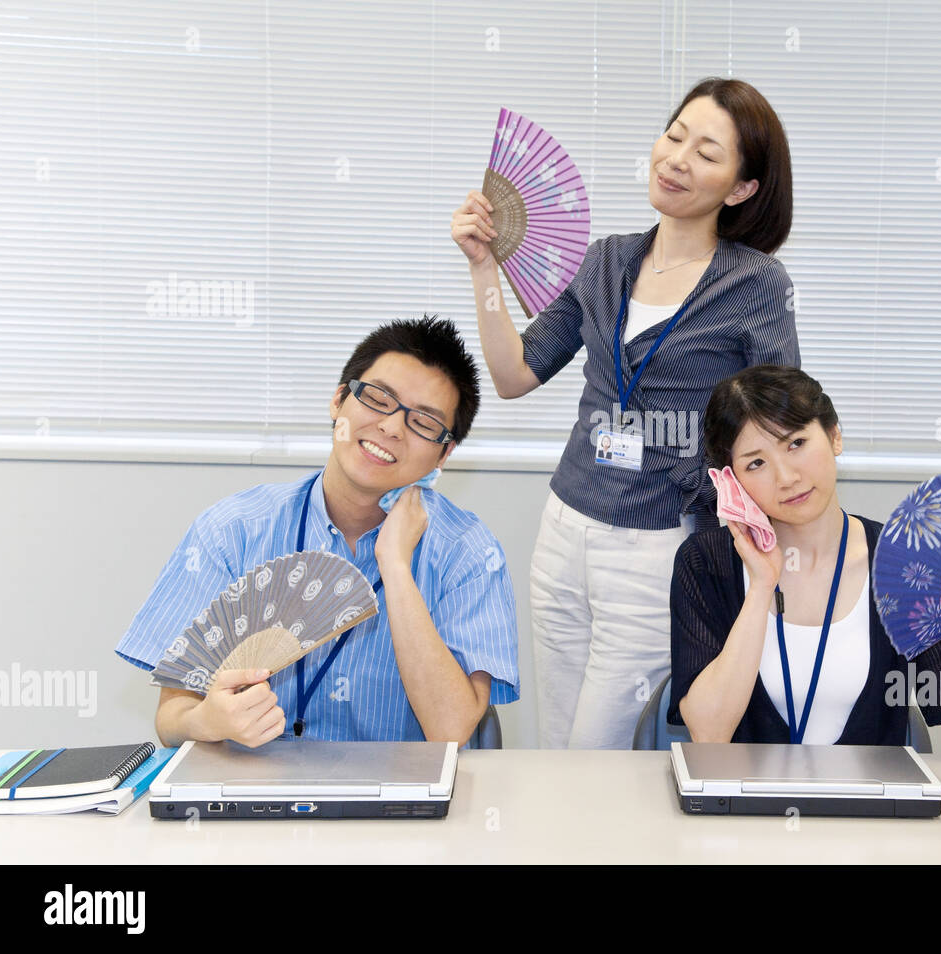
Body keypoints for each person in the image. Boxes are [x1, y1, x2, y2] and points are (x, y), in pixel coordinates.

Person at [452, 78, 800, 749]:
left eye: (706, 152)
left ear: (740, 188)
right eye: (674, 137)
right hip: (564, 530)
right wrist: (483, 270)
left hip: (658, 545)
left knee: (597, 752)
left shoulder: (755, 283)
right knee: (557, 745)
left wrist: (727, 509)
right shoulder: (605, 260)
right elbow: (513, 373)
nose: (676, 159)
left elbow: (779, 424)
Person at [115, 317, 520, 747]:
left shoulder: (469, 554)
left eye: (423, 422)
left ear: (445, 453)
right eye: (380, 399)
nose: (392, 427)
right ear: (339, 400)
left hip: (400, 802)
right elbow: (172, 718)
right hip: (253, 795)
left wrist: (396, 566)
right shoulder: (232, 533)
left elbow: (452, 731)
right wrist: (205, 722)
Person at [670, 366, 941, 761]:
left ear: (835, 436)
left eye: (796, 443)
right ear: (732, 483)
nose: (786, 477)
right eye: (756, 463)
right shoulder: (705, 563)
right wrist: (761, 585)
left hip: (870, 816)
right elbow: (709, 735)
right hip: (748, 812)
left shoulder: (905, 565)